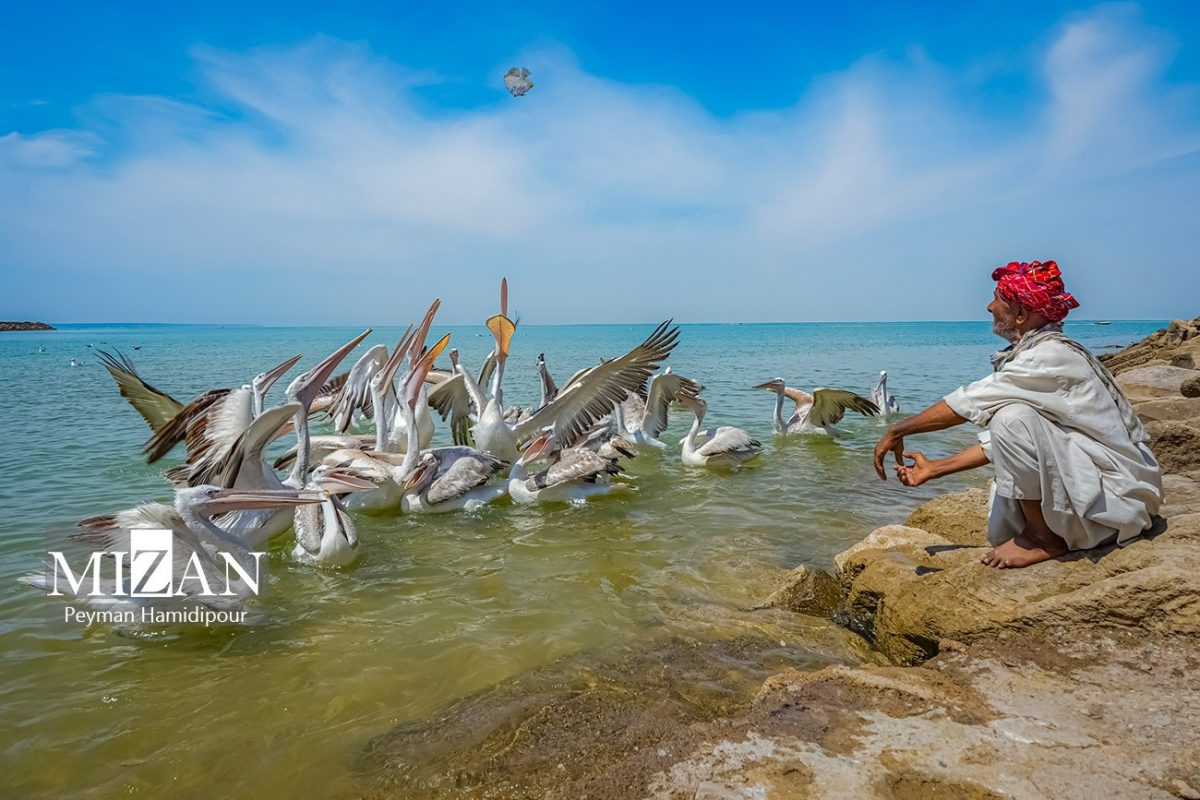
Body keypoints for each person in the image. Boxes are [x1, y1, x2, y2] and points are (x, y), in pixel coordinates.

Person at [872, 260, 1163, 569]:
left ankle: (1043, 538)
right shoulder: (1046, 351)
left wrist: (896, 431)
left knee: (1010, 416)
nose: (988, 307)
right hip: (1116, 490)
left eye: (998, 299)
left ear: (1021, 315)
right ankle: (1048, 530)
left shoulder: (1047, 357)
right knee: (1013, 418)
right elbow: (1024, 441)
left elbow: (967, 404)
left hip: (1118, 501)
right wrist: (935, 469)